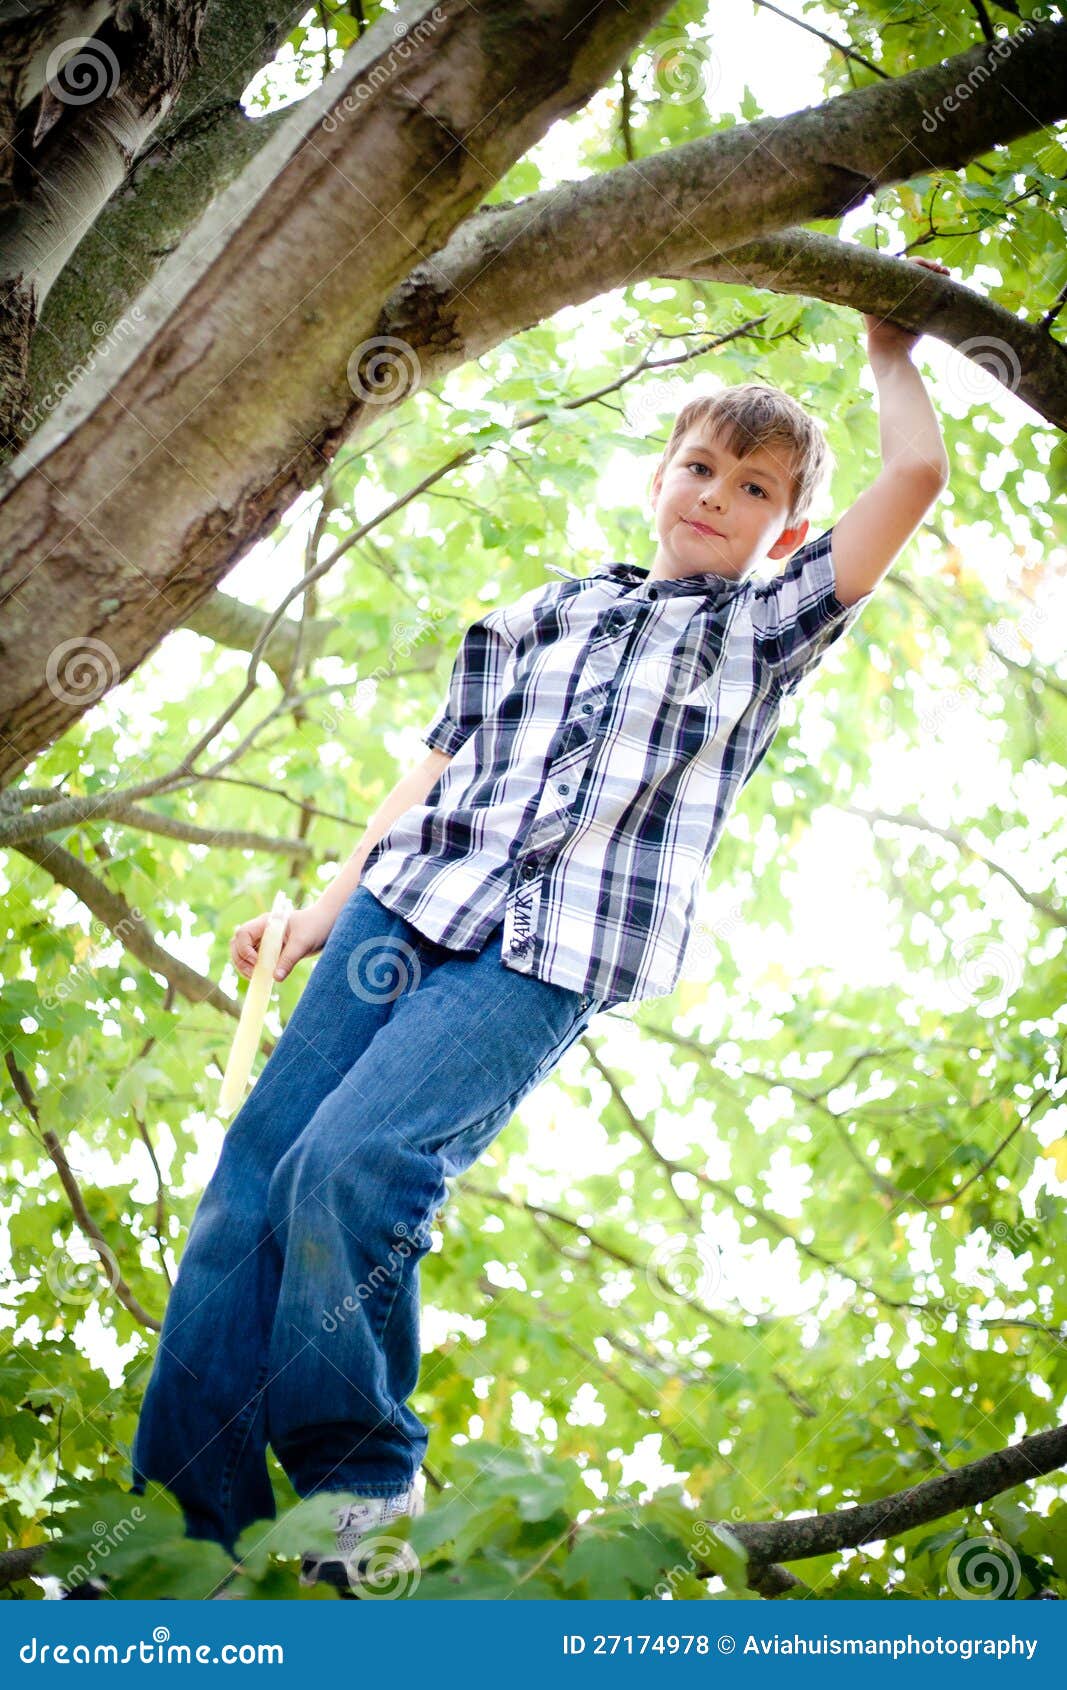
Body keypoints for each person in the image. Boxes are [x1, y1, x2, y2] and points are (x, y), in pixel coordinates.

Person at [127, 256, 950, 1594]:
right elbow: (434, 769)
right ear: (660, 472)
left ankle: (356, 1487)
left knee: (350, 1169)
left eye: (756, 491)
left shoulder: (760, 637)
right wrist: (318, 906)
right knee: (250, 1192)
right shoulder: (545, 612)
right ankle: (183, 1542)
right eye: (702, 466)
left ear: (784, 533)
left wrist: (890, 352)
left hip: (537, 959)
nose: (717, 498)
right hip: (406, 904)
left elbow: (910, 484)